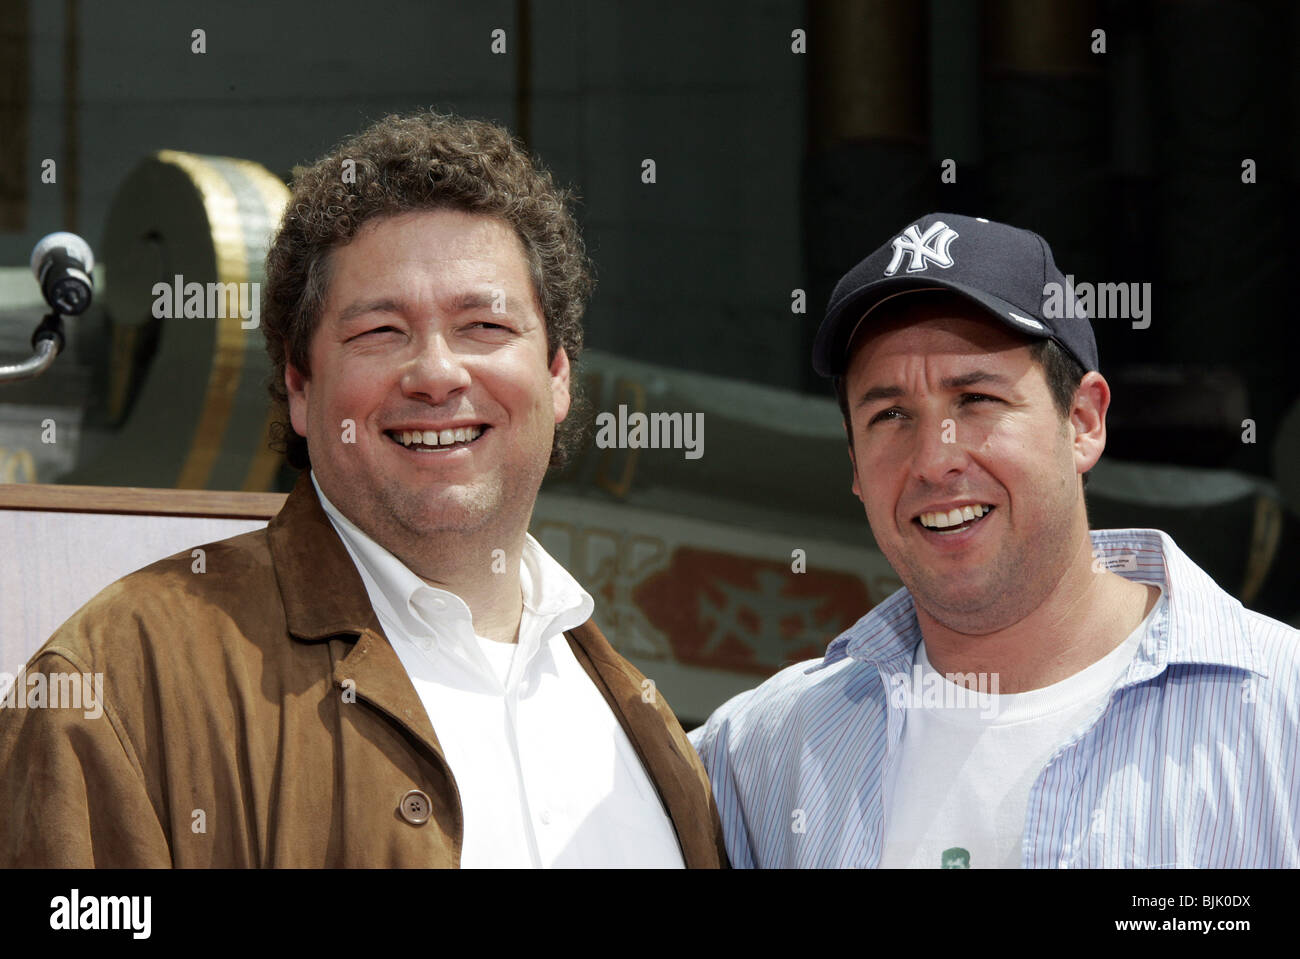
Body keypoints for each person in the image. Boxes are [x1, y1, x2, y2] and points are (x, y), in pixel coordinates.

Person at [0, 111, 726, 868]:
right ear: (301, 387)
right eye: (381, 332)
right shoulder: (119, 681)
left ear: (557, 376)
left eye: (483, 324)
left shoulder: (653, 738)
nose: (438, 373)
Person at [689, 212, 1300, 868]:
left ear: (1085, 421)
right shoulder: (757, 757)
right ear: (855, 466)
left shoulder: (1279, 713)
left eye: (976, 399)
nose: (933, 459)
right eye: (890, 415)